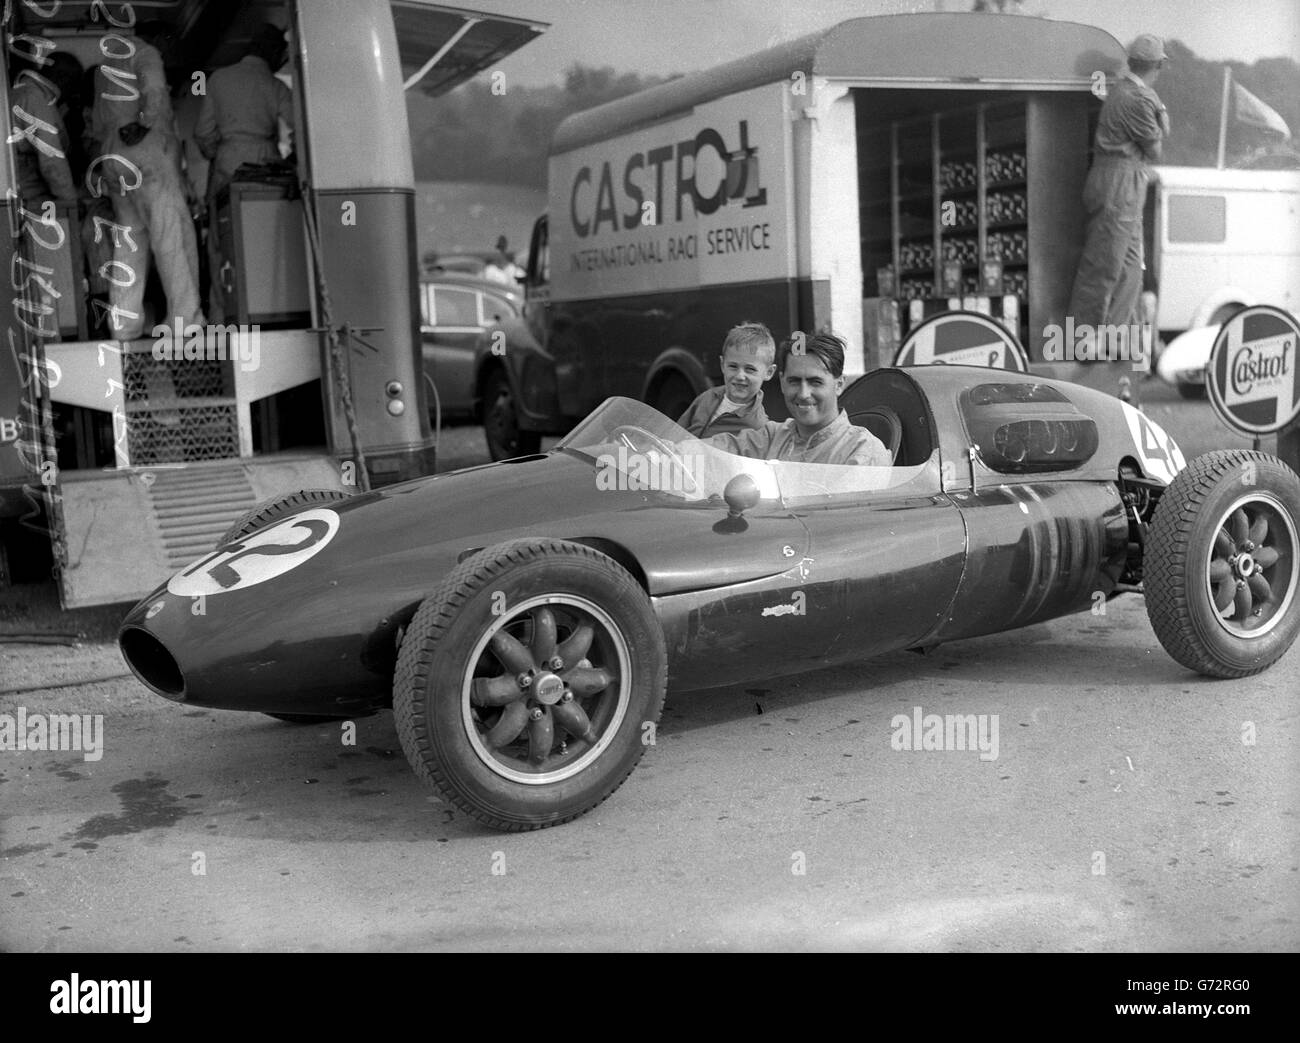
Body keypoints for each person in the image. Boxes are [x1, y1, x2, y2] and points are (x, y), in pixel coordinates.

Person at [89, 20, 204, 340]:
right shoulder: (145, 52)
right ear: (157, 37)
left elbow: (99, 122)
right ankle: (185, 320)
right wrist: (145, 122)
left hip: (114, 155)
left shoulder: (104, 68)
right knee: (170, 236)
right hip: (145, 152)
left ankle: (125, 326)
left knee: (129, 242)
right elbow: (153, 88)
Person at [1067, 34, 1171, 331]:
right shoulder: (1138, 99)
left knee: (1128, 267)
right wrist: (1160, 111)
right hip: (1120, 182)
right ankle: (1082, 338)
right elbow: (1156, 149)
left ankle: (1116, 337)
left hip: (1121, 179)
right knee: (1105, 264)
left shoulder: (1124, 92)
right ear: (1158, 65)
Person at [194, 22, 294, 321]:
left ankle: (221, 314)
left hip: (226, 162)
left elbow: (203, 132)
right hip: (265, 161)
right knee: (261, 237)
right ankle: (263, 308)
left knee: (220, 242)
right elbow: (299, 128)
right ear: (273, 52)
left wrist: (218, 153)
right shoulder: (275, 86)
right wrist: (293, 162)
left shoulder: (219, 79)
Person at [703, 331, 890, 466]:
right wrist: (674, 451)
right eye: (794, 381)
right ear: (782, 383)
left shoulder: (862, 450)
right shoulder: (772, 436)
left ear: (839, 384)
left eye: (815, 382)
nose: (803, 393)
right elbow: (711, 452)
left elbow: (852, 519)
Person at [677, 321, 775, 437]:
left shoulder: (758, 428)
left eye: (750, 369)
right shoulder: (707, 397)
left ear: (769, 372)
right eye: (733, 366)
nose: (739, 376)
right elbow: (675, 432)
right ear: (722, 364)